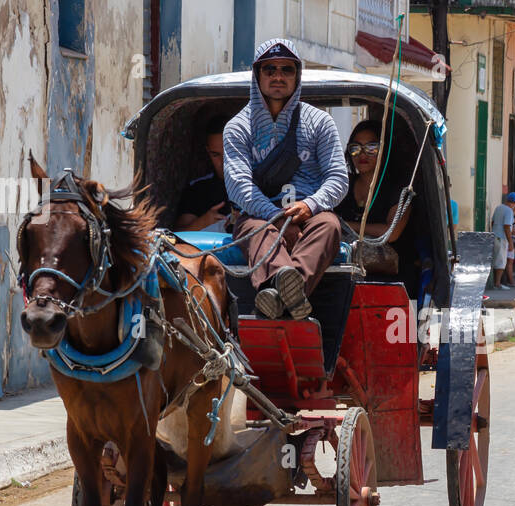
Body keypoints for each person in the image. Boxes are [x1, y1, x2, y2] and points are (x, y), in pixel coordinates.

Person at [223, 38, 349, 320]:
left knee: (329, 225)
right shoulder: (238, 127)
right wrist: (276, 218)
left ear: (297, 75)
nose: (278, 76)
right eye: (270, 70)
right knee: (255, 230)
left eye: (286, 69)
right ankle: (287, 288)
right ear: (257, 76)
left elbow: (338, 178)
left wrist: (310, 207)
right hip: (260, 215)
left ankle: (279, 296)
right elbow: (239, 187)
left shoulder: (320, 122)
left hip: (309, 213)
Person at [333, 118, 425, 295]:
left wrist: (347, 225)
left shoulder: (400, 188)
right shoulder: (342, 184)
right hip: (348, 271)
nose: (363, 154)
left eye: (371, 147)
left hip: (393, 275)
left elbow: (391, 232)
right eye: (356, 148)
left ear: (384, 151)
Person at [174, 114, 233, 233]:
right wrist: (203, 222)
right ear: (208, 152)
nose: (223, 162)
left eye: (229, 153)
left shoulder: (259, 185)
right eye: (215, 155)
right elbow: (176, 237)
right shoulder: (197, 190)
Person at [489, 192, 515, 288]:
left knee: (495, 259)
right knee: (501, 261)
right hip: (502, 238)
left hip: (495, 235)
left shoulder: (499, 208)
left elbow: (492, 222)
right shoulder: (509, 211)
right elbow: (506, 226)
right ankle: (497, 283)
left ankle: (495, 283)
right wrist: (510, 242)